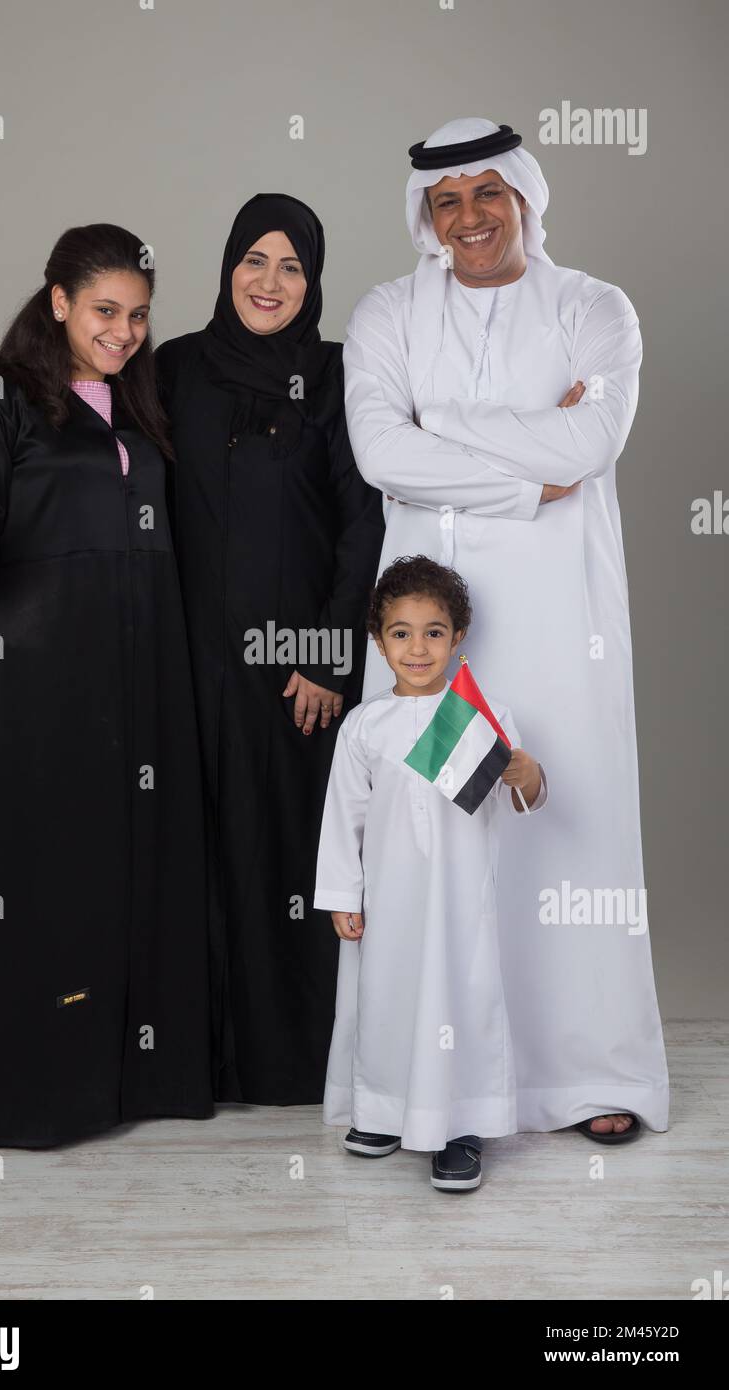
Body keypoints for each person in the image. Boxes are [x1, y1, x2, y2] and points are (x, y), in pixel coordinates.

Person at [342, 117, 670, 1143]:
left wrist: (440, 429)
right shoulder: (387, 311)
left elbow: (592, 440)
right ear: (426, 217)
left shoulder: (595, 310)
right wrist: (535, 464)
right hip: (423, 629)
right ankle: (421, 1085)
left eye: (490, 194)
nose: (471, 217)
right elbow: (377, 452)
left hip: (560, 613)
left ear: (525, 197)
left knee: (567, 818)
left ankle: (590, 1074)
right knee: (430, 822)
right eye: (449, 201)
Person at [0, 224, 214, 1148]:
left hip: (145, 671)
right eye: (103, 311)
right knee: (52, 878)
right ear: (57, 301)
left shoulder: (142, 400)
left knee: (140, 862)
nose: (123, 331)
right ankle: (46, 1093)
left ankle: (138, 1081)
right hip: (43, 679)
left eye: (136, 315)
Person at [155, 194, 384, 1104]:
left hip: (297, 664)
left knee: (291, 852)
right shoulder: (175, 368)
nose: (269, 281)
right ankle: (194, 1063)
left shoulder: (334, 374)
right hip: (188, 658)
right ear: (226, 267)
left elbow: (364, 520)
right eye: (254, 258)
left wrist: (330, 654)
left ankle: (294, 1064)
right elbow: (91, 442)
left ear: (313, 280)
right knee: (194, 849)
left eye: (292, 266)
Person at [315, 556, 547, 1190]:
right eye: (401, 632)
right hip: (390, 901)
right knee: (385, 1003)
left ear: (458, 636)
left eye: (434, 631)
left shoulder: (478, 716)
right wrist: (342, 894)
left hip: (461, 901)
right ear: (379, 639)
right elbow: (344, 819)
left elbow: (522, 798)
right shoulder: (366, 725)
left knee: (462, 1002)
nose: (418, 648)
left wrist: (526, 776)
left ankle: (459, 1126)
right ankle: (386, 1112)